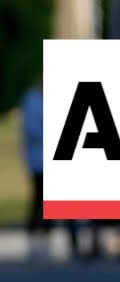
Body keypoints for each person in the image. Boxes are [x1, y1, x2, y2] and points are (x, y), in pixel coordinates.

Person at [20, 75, 86, 262]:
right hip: (39, 160)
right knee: (40, 200)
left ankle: (69, 242)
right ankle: (36, 241)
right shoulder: (32, 100)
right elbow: (33, 130)